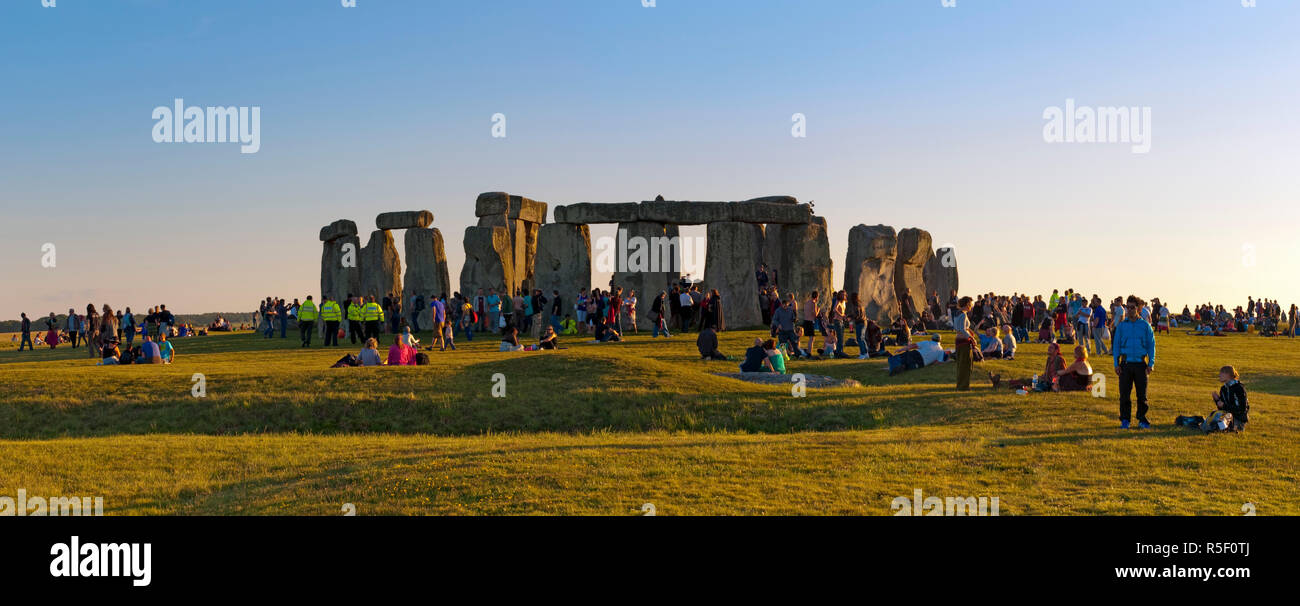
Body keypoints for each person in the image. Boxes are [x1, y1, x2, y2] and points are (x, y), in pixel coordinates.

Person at [1113, 300, 1156, 429]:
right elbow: (1116, 346)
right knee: (1124, 395)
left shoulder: (1145, 326)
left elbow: (1151, 345)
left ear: (1138, 308)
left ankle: (1142, 419)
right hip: (1125, 364)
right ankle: (1125, 420)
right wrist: (1116, 363)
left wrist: (1151, 363)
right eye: (1128, 307)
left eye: (1132, 307)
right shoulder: (1121, 326)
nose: (1130, 310)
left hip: (1140, 364)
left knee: (1142, 395)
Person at [1212, 365, 1249, 432]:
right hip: (1227, 417)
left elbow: (1242, 409)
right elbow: (1222, 409)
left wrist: (1223, 405)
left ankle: (1233, 429)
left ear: (1228, 375)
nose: (1219, 375)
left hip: (1238, 418)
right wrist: (1217, 400)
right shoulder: (1223, 389)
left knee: (1224, 428)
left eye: (1221, 373)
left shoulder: (1238, 388)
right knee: (1214, 416)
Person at [952, 297, 978, 391]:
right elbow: (962, 329)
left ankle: (961, 385)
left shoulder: (957, 313)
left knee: (961, 364)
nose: (971, 306)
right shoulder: (962, 314)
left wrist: (969, 330)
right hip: (963, 341)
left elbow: (959, 327)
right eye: (970, 304)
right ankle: (963, 386)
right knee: (965, 364)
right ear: (967, 304)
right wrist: (971, 338)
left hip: (959, 340)